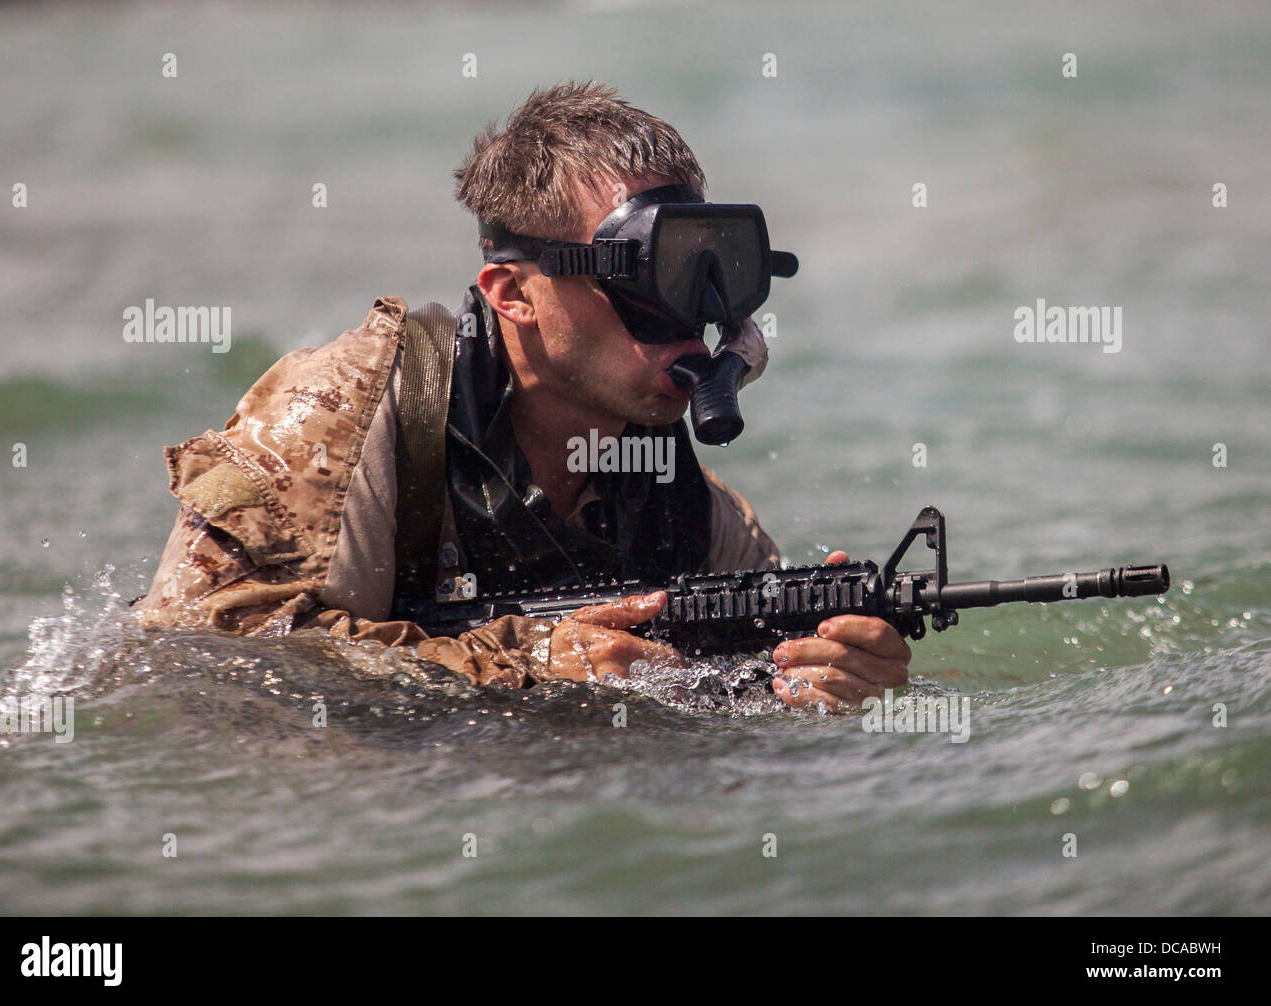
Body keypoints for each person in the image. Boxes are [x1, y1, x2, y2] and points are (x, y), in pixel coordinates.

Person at [136, 82, 910, 711]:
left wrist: (810, 692)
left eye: (707, 270)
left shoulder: (692, 513)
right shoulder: (341, 420)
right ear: (513, 294)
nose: (691, 312)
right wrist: (527, 661)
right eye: (648, 271)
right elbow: (199, 660)